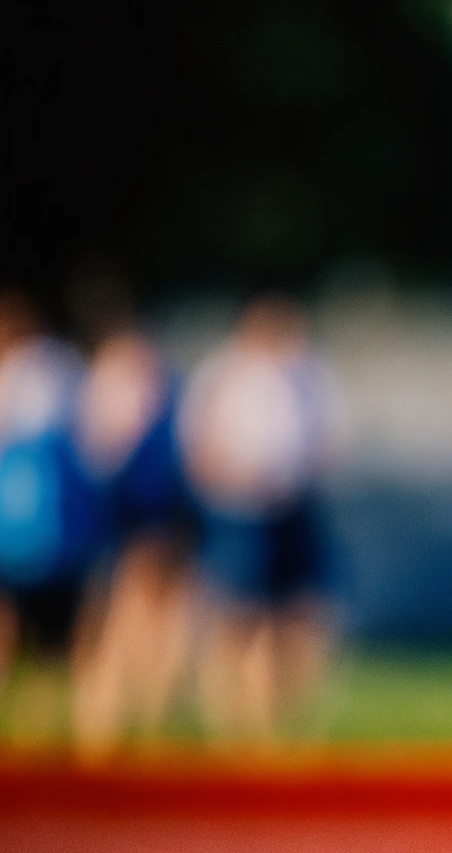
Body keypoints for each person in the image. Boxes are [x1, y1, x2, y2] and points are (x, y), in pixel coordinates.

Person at [178, 295, 342, 742]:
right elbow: (199, 450)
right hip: (239, 511)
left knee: (296, 613)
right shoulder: (224, 375)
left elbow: (326, 442)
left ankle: (279, 715)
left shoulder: (307, 375)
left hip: (292, 505)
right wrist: (242, 479)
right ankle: (228, 717)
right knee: (237, 617)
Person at [71, 315, 198, 752]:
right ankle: (108, 728)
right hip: (126, 528)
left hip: (146, 527)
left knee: (145, 628)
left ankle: (134, 725)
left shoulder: (154, 397)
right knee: (119, 629)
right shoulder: (122, 398)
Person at [0, 291, 103, 730]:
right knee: (66, 641)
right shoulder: (65, 370)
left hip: (26, 531)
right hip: (60, 535)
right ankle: (74, 730)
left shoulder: (27, 375)